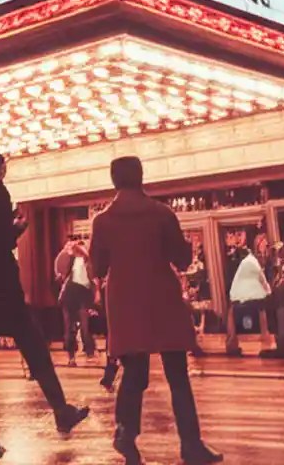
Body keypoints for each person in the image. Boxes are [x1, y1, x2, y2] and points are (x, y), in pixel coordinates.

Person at [0, 147, 88, 459]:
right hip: (0, 286)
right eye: (4, 165)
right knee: (35, 347)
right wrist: (15, 230)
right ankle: (60, 410)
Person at [90, 156, 222, 465]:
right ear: (141, 177)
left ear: (114, 181)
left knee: (134, 372)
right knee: (177, 375)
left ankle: (125, 431)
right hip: (161, 297)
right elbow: (182, 260)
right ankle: (191, 445)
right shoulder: (162, 214)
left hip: (125, 300)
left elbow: (98, 266)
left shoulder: (103, 221)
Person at [55, 236, 97, 366]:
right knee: (72, 327)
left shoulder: (85, 261)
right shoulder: (70, 259)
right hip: (72, 296)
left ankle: (84, 352)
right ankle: (73, 356)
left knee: (82, 327)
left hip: (78, 296)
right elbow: (60, 272)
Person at [225, 246, 270, 356]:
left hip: (238, 298)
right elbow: (262, 279)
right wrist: (269, 291)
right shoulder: (253, 262)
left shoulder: (242, 266)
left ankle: (231, 339)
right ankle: (265, 334)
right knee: (262, 308)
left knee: (231, 311)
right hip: (253, 298)